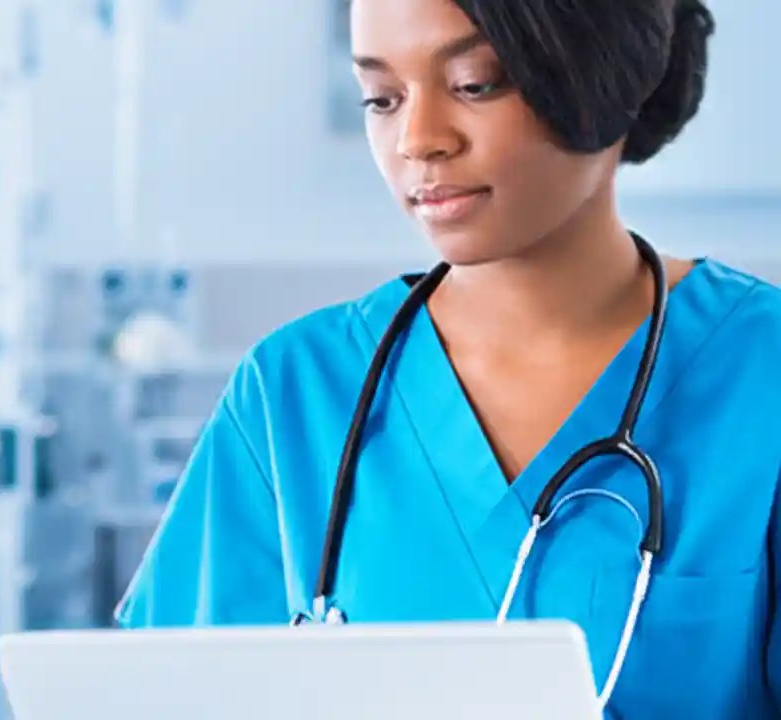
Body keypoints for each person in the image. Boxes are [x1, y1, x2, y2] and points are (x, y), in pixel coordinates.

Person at [113, 0, 781, 716]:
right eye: (382, 98)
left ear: (606, 75)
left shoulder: (758, 372)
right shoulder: (293, 394)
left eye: (475, 83)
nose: (417, 140)